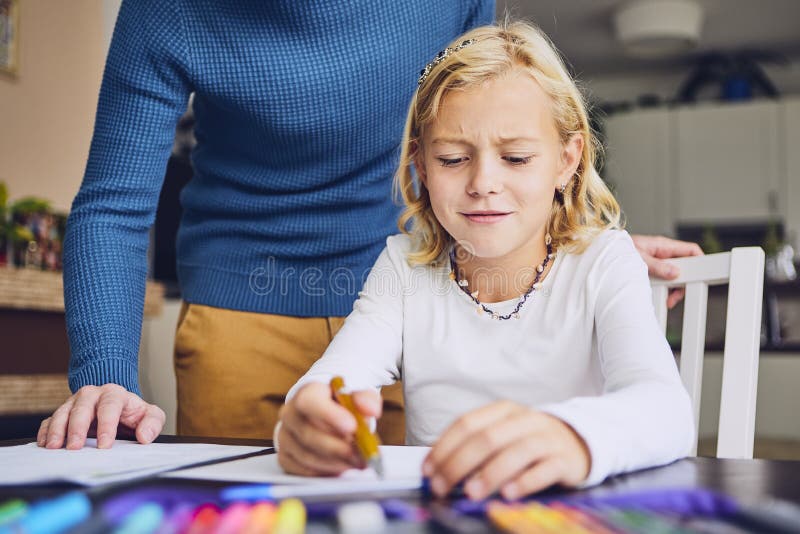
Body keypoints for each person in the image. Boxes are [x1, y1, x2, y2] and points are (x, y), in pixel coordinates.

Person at [38, 1, 699, 452]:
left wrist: (562, 248)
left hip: (411, 286)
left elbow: (479, 127)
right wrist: (104, 374)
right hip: (244, 305)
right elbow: (114, 204)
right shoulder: (170, 12)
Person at [276, 21, 695, 501]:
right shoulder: (404, 267)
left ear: (566, 160)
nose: (483, 184)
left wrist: (571, 437)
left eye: (515, 158)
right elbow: (333, 380)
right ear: (422, 167)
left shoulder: (605, 261)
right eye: (453, 159)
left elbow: (666, 409)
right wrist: (308, 413)